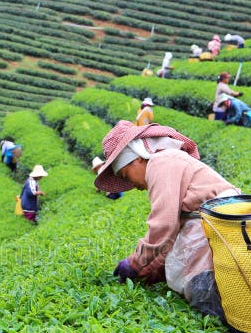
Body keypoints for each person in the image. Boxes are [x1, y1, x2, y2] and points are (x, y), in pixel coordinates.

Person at [93, 121, 237, 319]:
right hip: (216, 220)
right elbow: (173, 232)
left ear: (138, 159)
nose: (133, 185)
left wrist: (134, 263)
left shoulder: (161, 162)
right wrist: (151, 268)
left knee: (201, 286)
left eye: (126, 175)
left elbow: (164, 225)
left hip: (219, 219)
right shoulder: (167, 161)